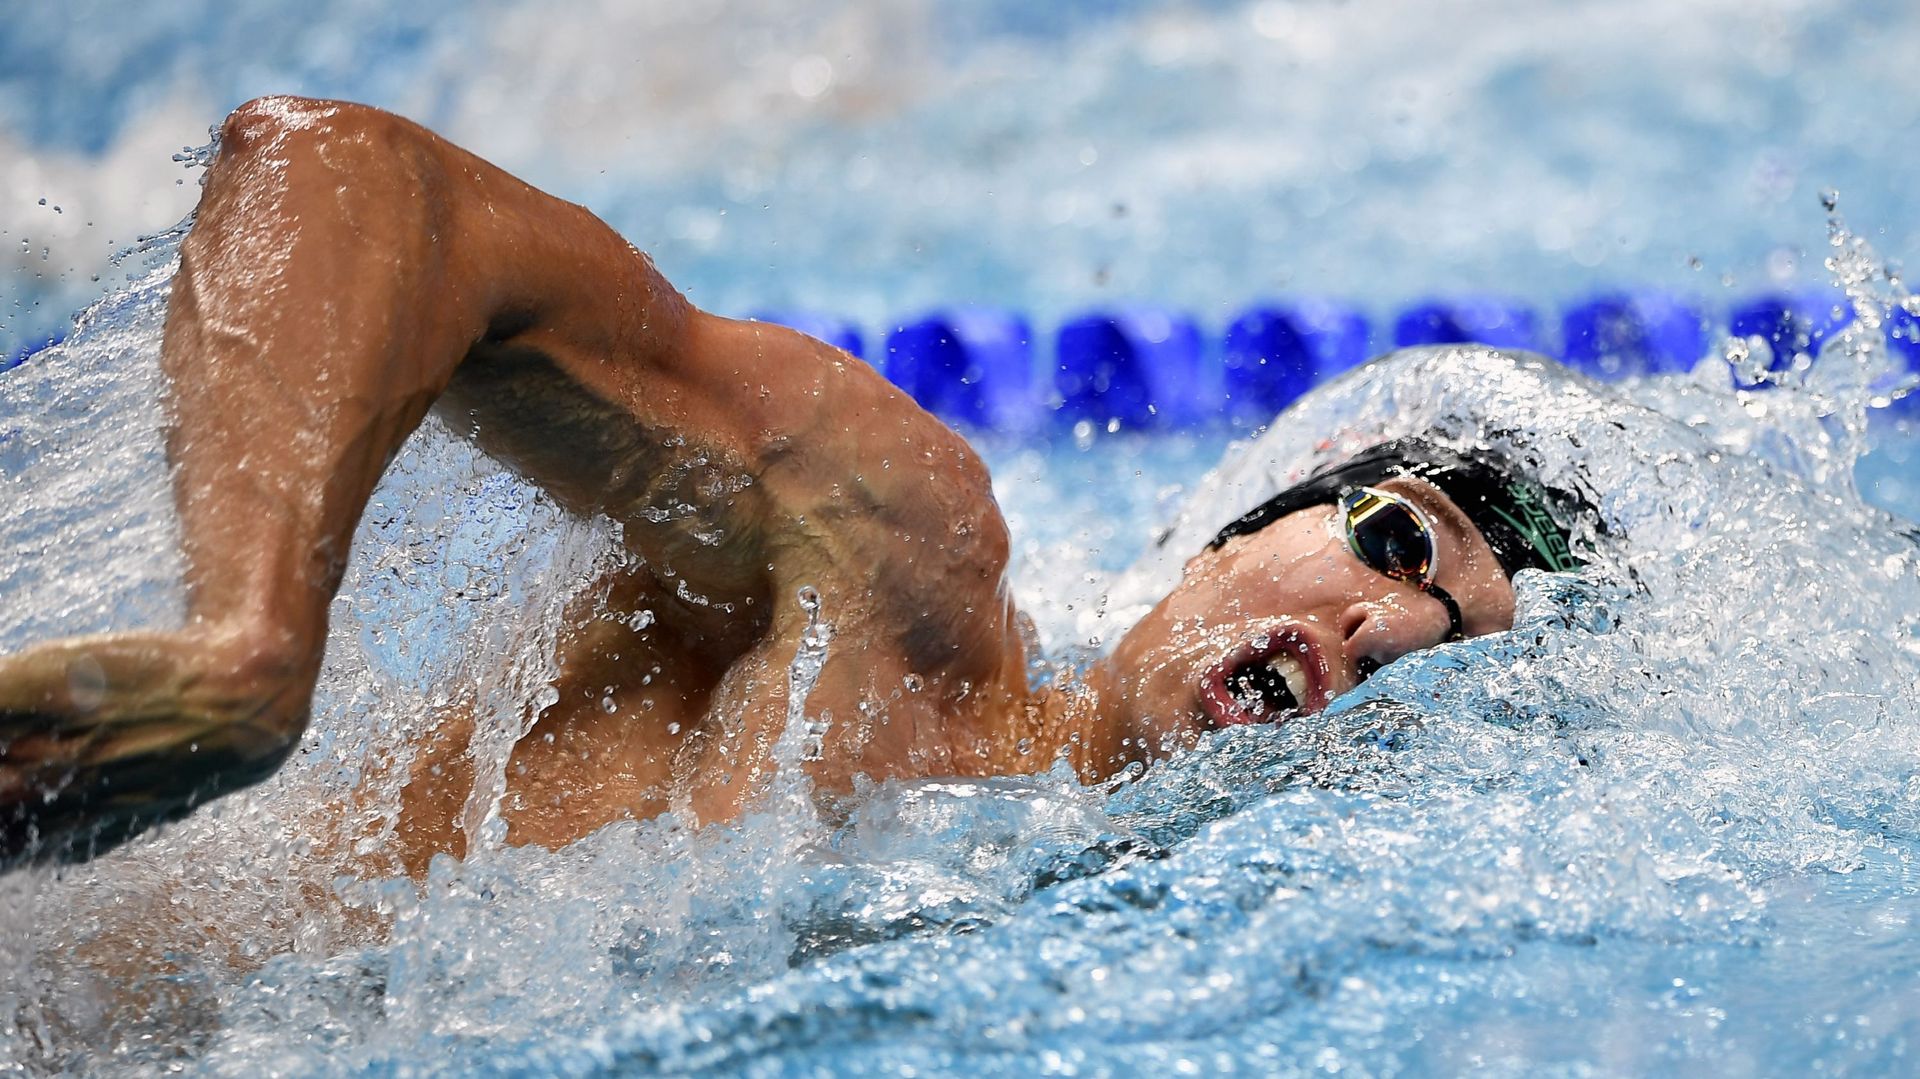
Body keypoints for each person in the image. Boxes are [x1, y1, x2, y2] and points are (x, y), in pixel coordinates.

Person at [0, 97, 1589, 873]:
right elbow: (340, 169)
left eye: (1444, 653)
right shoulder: (900, 566)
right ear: (1247, 520)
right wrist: (255, 646)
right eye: (1394, 544)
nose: (1387, 632)